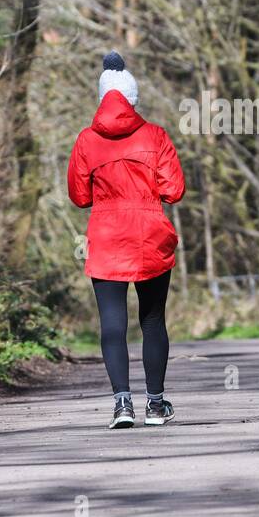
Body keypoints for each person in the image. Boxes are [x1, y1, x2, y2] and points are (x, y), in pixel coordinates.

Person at [67, 51, 186, 428]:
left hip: (106, 237)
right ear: (133, 99)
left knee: (113, 325)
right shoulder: (155, 136)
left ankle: (122, 404)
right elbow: (175, 190)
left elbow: (79, 196)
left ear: (102, 98)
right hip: (149, 235)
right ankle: (155, 404)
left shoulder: (86, 140)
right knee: (152, 321)